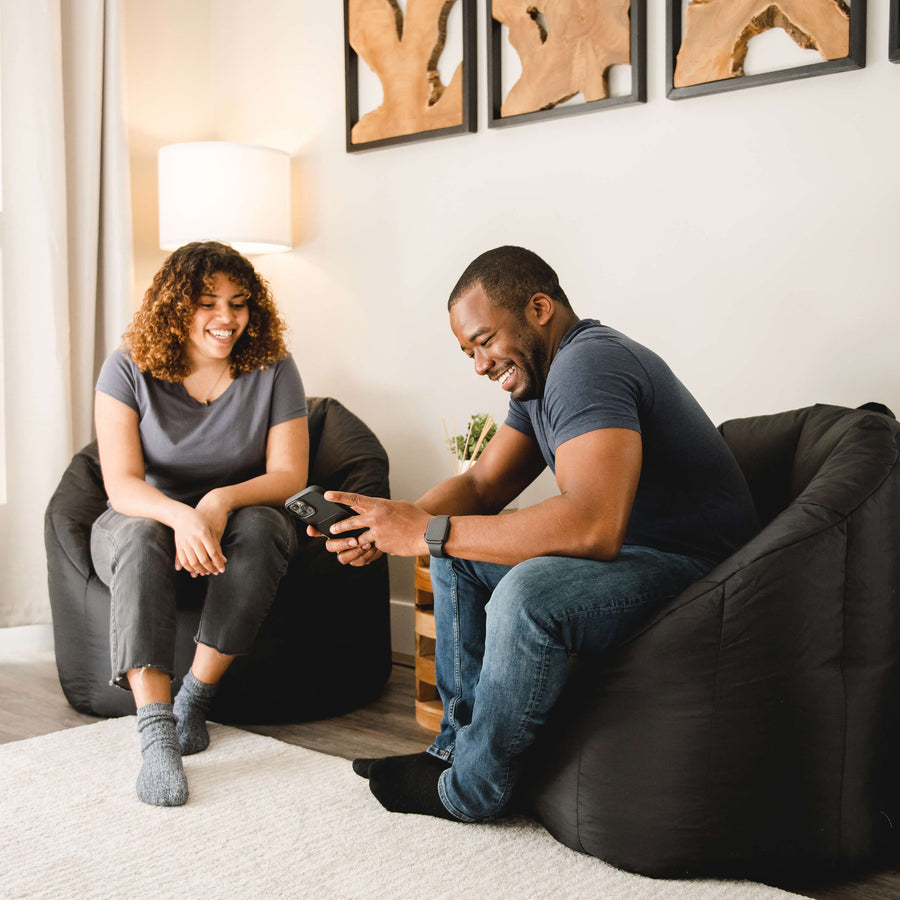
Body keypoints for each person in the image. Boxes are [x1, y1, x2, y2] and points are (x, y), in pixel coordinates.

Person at [315, 245, 760, 823]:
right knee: (453, 551)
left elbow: (592, 525)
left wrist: (427, 529)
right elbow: (481, 485)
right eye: (467, 351)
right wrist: (394, 523)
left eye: (483, 341)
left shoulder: (588, 364)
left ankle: (471, 792)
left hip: (700, 571)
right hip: (639, 555)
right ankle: (451, 753)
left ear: (540, 307)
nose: (479, 365)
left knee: (529, 593)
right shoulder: (542, 381)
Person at [91, 241, 308, 807]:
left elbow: (289, 473)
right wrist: (180, 516)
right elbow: (121, 484)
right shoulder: (126, 366)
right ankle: (157, 735)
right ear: (174, 305)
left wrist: (218, 501)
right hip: (143, 516)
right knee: (140, 537)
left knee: (263, 529)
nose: (226, 319)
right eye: (209, 302)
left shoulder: (273, 365)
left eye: (239, 304)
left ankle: (194, 701)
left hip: (235, 518)